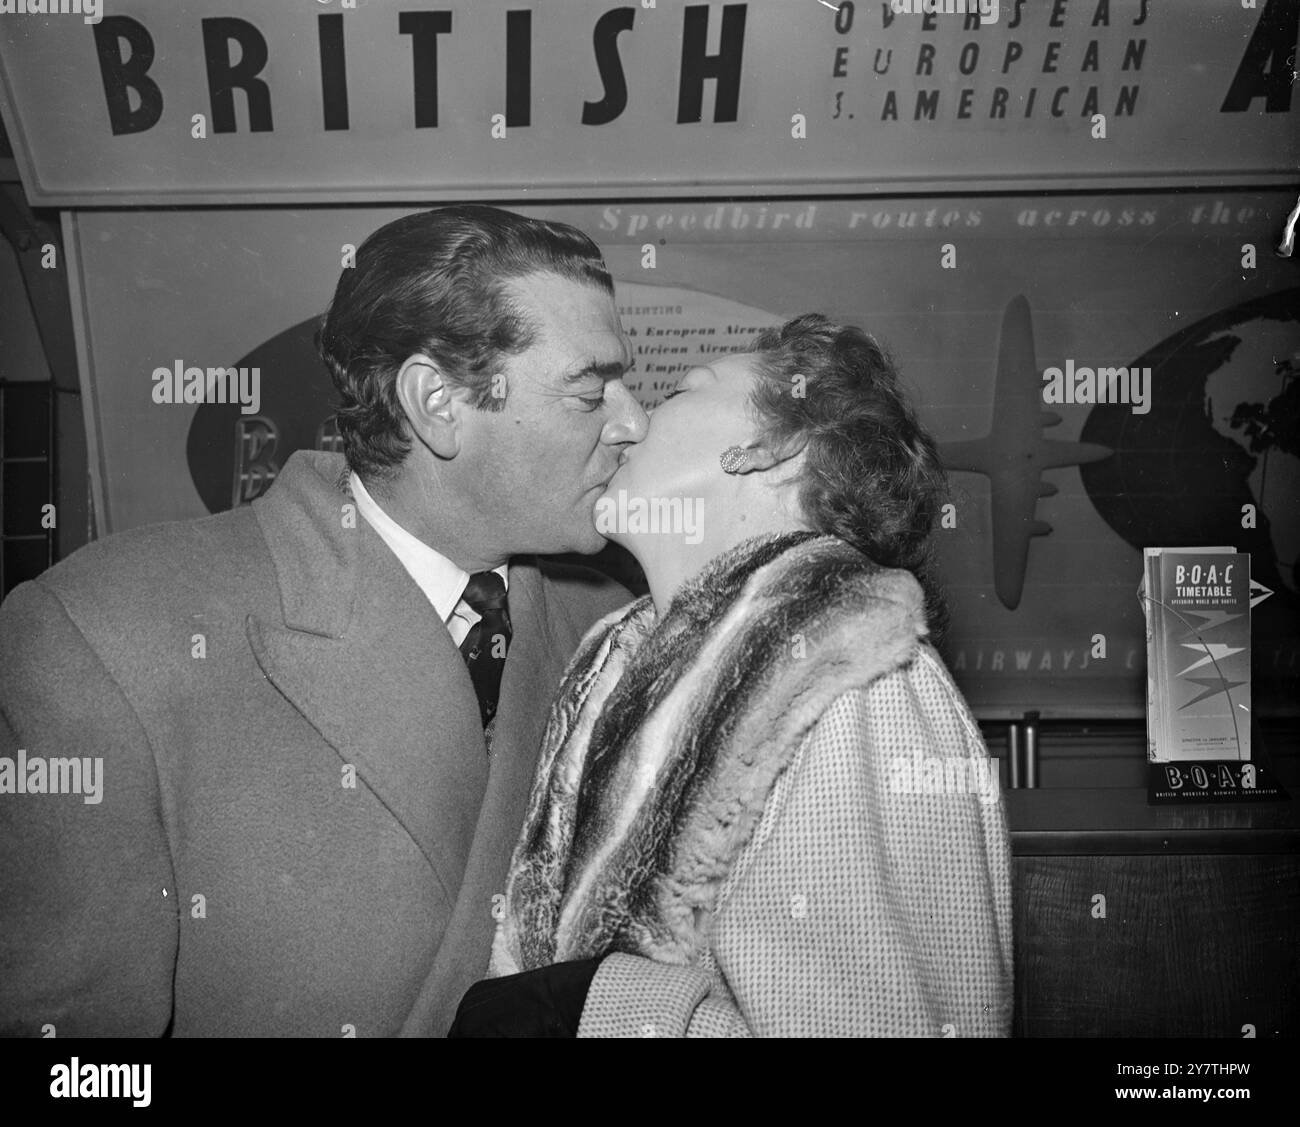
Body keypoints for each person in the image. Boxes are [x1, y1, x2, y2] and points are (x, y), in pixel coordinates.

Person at [0, 205, 648, 1036]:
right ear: (438, 402)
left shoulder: (622, 622)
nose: (633, 421)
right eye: (592, 389)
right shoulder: (104, 636)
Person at [451, 313, 1013, 1037]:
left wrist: (595, 1008)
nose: (625, 421)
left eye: (677, 391)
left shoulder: (855, 673)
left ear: (774, 448)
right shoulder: (615, 658)